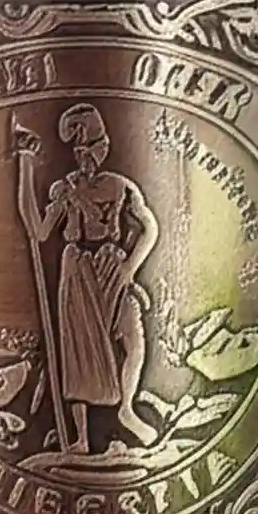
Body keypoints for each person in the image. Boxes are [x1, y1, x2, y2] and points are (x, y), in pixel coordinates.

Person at [25, 103, 160, 453]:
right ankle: (82, 438)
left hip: (113, 266)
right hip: (78, 270)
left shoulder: (121, 187)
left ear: (106, 145)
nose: (89, 156)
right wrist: (24, 171)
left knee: (134, 337)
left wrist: (130, 268)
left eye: (96, 146)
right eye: (82, 149)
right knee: (79, 352)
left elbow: (149, 228)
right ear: (74, 151)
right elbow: (39, 232)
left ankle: (127, 408)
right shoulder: (64, 190)